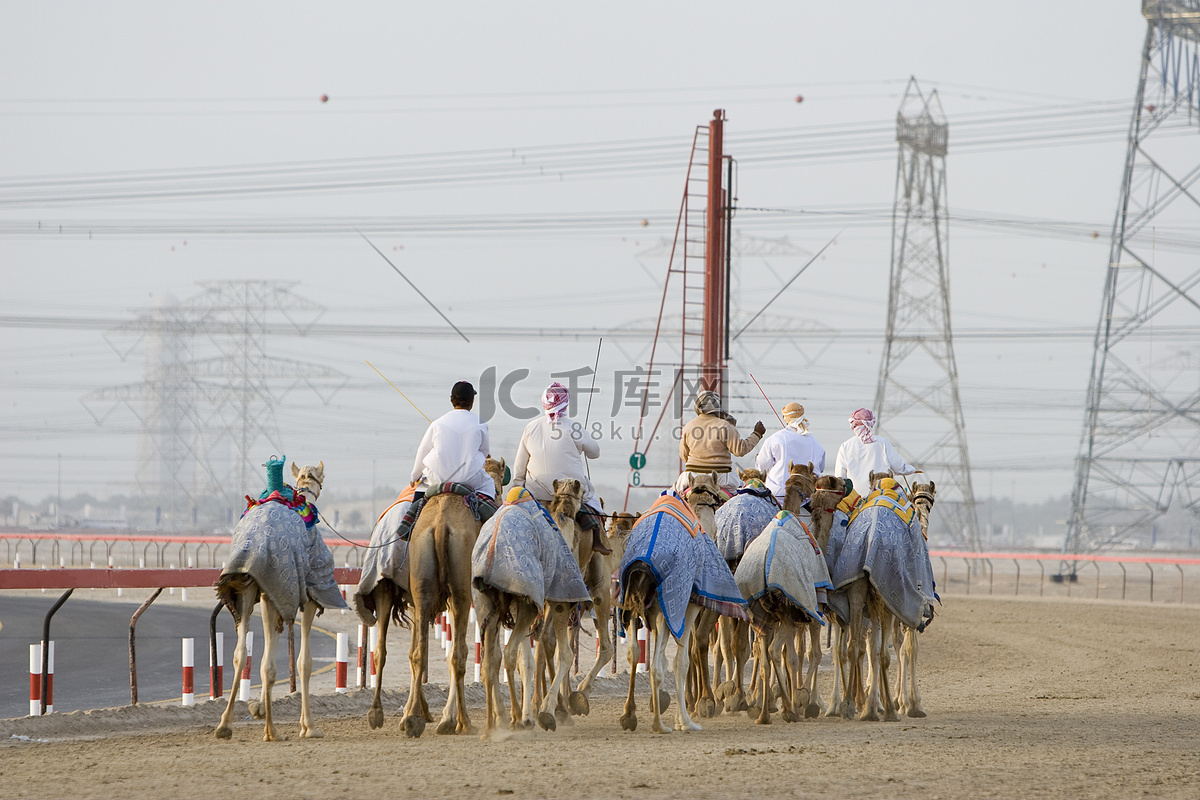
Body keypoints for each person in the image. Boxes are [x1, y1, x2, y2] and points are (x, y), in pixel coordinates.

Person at [512, 381, 611, 555]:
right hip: (570, 495)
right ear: (566, 403)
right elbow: (595, 452)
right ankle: (597, 540)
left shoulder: (531, 427)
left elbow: (520, 465)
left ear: (544, 402)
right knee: (594, 505)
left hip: (536, 494)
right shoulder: (574, 427)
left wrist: (518, 487)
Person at [408, 381, 495, 498]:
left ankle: (415, 509)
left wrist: (414, 476)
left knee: (421, 492)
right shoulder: (481, 424)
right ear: (472, 401)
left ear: (451, 399)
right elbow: (484, 452)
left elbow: (423, 450)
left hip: (437, 478)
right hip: (470, 479)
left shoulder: (437, 423)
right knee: (489, 485)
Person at [674, 390, 765, 494]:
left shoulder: (688, 426)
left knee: (673, 495)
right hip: (721, 478)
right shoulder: (725, 426)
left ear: (698, 406)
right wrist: (757, 434)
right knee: (743, 492)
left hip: (691, 477)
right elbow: (740, 450)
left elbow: (683, 455)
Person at [833, 408, 917, 496]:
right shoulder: (882, 443)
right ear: (871, 423)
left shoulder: (845, 446)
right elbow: (899, 468)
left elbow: (840, 476)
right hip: (881, 493)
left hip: (854, 497)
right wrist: (912, 470)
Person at [755, 402, 826, 504]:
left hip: (776, 495)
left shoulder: (775, 439)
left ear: (785, 418)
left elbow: (762, 467)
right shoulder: (816, 443)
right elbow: (820, 468)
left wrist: (757, 459)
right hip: (806, 498)